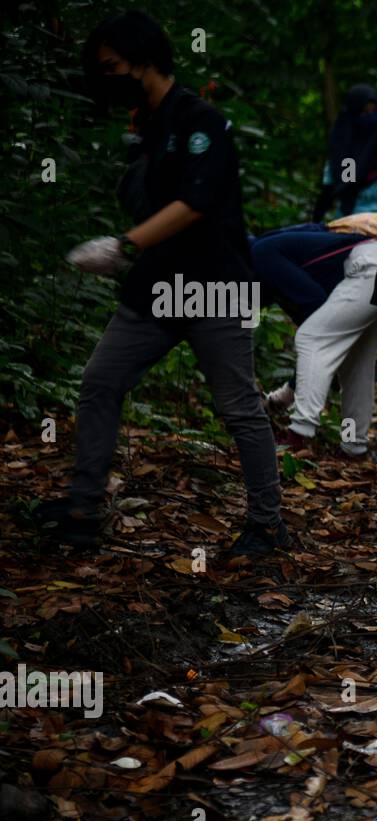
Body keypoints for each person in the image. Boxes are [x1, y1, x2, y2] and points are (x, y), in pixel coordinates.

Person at [40, 12, 286, 556]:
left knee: (238, 405)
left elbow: (195, 204)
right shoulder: (143, 126)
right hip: (156, 286)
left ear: (144, 60)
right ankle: (83, 506)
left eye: (114, 66)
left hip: (214, 286)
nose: (108, 75)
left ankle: (267, 524)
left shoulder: (201, 122)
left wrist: (124, 245)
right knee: (101, 381)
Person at [251, 218, 377, 456]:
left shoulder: (261, 256)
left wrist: (286, 395)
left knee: (312, 338)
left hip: (365, 271)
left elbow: (316, 316)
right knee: (357, 363)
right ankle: (353, 444)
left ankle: (297, 436)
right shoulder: (273, 248)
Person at [311, 84, 377, 358]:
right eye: (364, 112)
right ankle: (351, 339)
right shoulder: (343, 145)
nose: (370, 117)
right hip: (352, 221)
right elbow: (331, 185)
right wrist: (315, 222)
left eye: (374, 111)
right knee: (352, 280)